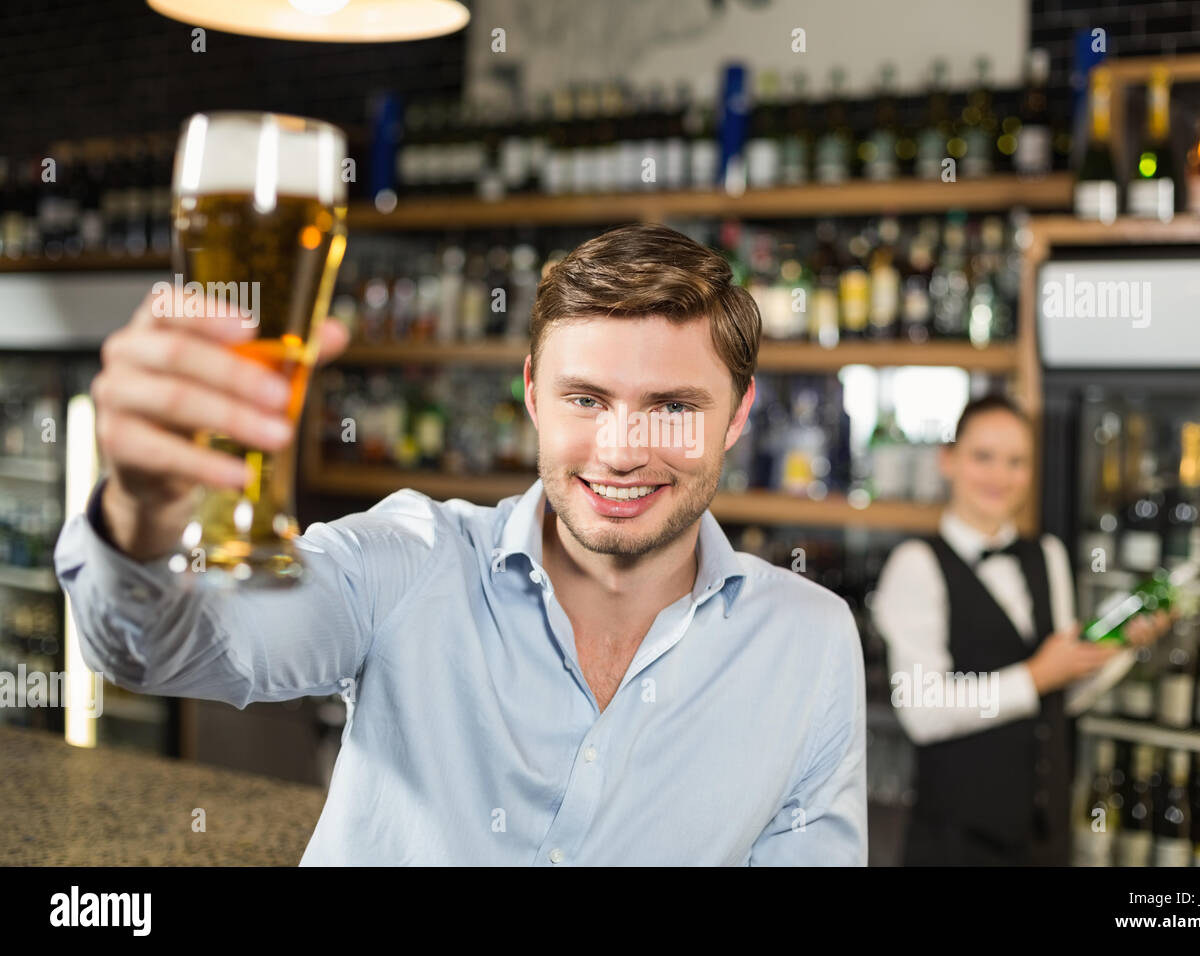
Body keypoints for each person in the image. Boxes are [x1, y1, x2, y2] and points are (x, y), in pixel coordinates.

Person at [54, 222, 867, 866]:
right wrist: (137, 514)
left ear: (738, 415)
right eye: (585, 398)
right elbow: (167, 649)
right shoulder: (410, 558)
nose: (621, 449)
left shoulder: (809, 637)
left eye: (674, 407)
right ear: (532, 398)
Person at [872, 394, 1167, 866]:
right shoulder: (916, 565)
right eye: (983, 457)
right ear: (948, 460)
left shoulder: (1046, 554)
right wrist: (1036, 675)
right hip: (955, 847)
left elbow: (1060, 695)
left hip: (1045, 839)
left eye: (1016, 462)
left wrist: (1122, 648)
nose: (1000, 476)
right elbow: (922, 711)